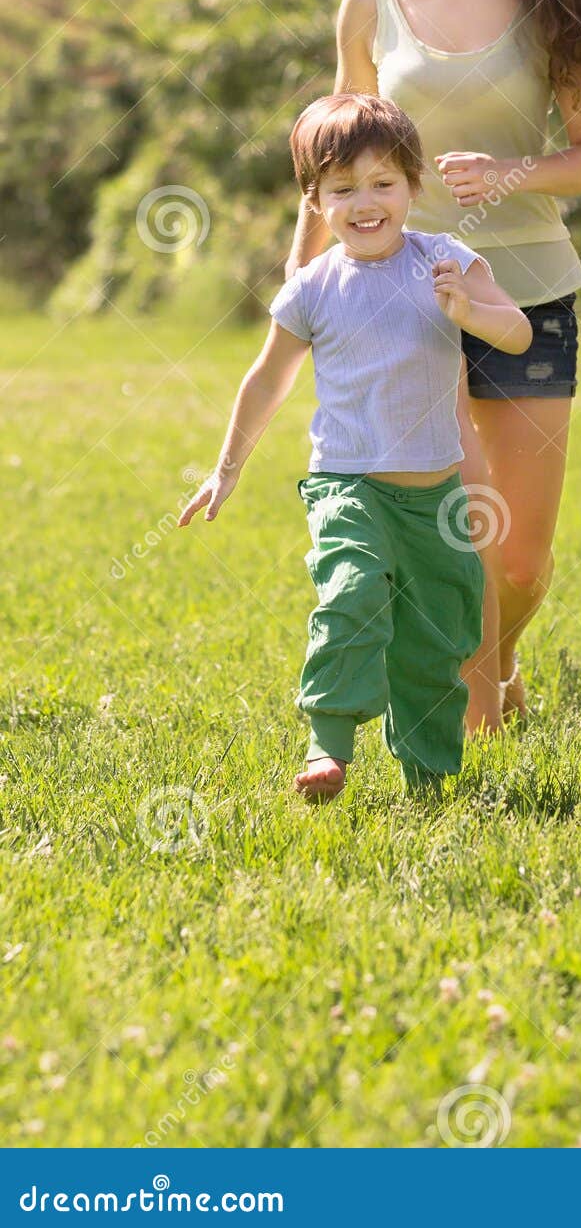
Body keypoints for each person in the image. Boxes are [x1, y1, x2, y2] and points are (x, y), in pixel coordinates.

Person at [285, 0, 581, 736]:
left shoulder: (555, 1)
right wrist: (304, 289)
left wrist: (514, 171)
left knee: (521, 557)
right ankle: (468, 723)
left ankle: (498, 655)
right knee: (462, 528)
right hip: (402, 297)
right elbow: (337, 152)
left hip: (528, 291)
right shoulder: (372, 3)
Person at [179, 93, 532, 801]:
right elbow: (267, 379)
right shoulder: (312, 289)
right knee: (351, 593)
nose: (364, 202)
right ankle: (327, 745)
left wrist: (469, 311)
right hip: (347, 484)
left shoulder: (445, 261)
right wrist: (226, 470)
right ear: (315, 201)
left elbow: (518, 332)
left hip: (435, 497)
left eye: (383, 183)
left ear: (412, 186)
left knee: (435, 641)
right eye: (342, 189)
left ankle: (428, 781)